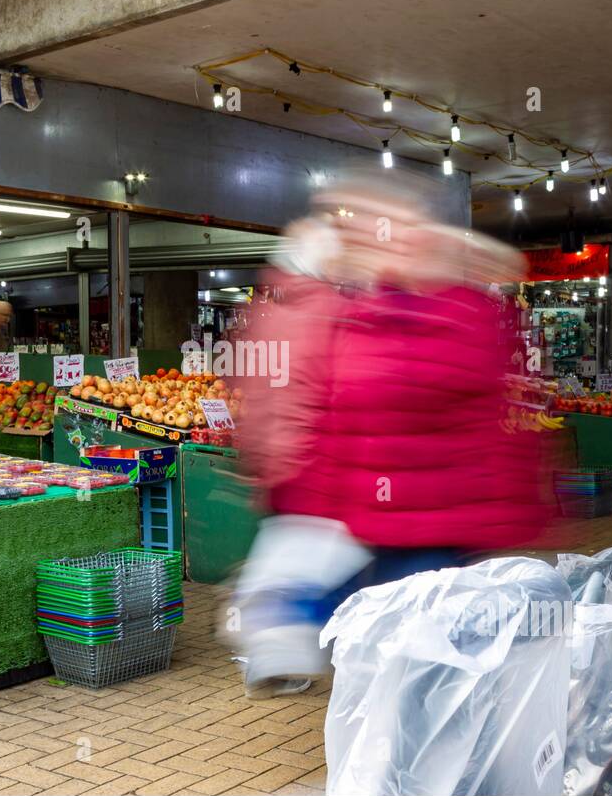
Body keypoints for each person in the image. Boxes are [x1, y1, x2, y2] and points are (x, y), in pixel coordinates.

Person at [232, 171, 553, 698]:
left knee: (415, 678)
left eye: (371, 225)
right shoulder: (367, 310)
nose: (358, 237)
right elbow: (327, 411)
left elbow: (448, 413)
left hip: (431, 531)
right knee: (387, 673)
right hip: (375, 525)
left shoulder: (454, 312)